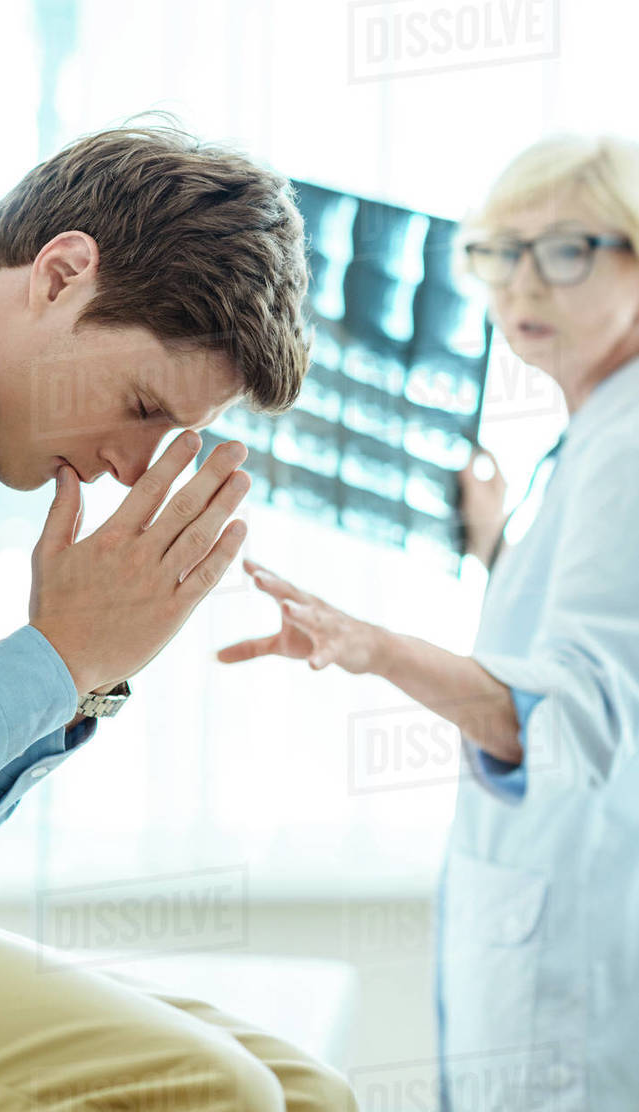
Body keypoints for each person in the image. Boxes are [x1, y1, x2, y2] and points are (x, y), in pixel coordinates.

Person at [0, 123, 358, 1111]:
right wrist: (53, 659)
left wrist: (82, 682)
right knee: (210, 1094)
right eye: (141, 406)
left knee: (308, 1090)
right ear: (61, 273)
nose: (134, 466)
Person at [218, 134, 639, 1111]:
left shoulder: (623, 446)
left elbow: (571, 713)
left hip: (576, 954)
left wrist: (372, 648)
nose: (520, 284)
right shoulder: (591, 437)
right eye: (499, 251)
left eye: (566, 250)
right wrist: (499, 549)